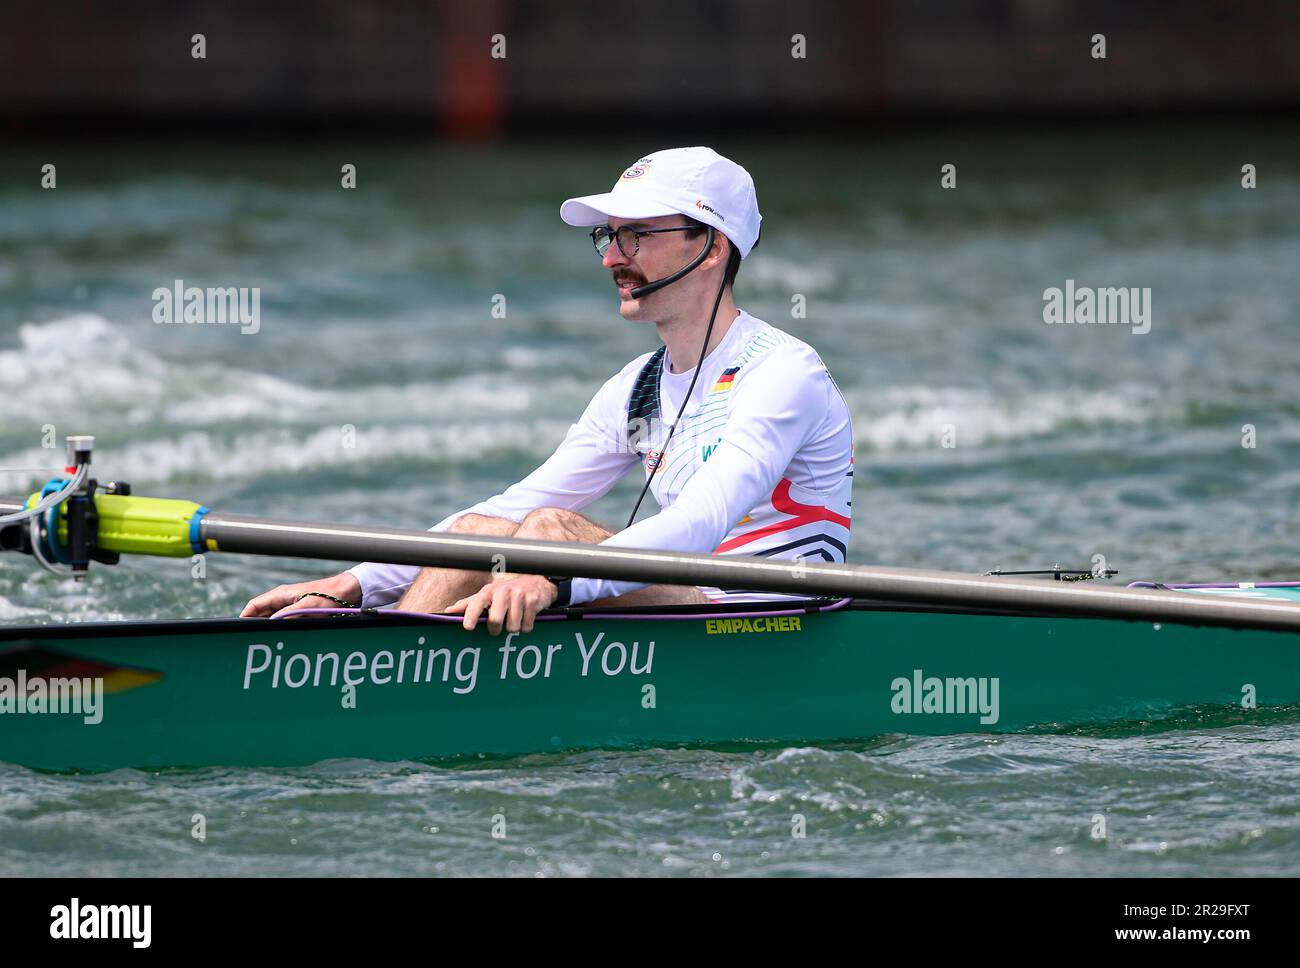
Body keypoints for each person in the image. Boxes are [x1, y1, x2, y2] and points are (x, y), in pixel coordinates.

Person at [241, 146, 853, 634]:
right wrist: (355, 582)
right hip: (682, 606)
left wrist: (557, 580)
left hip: (766, 623)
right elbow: (510, 509)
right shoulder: (634, 388)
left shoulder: (781, 374)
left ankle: (389, 678)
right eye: (607, 237)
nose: (612, 257)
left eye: (636, 235)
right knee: (483, 533)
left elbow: (701, 521)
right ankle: (383, 660)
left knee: (551, 531)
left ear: (713, 246)